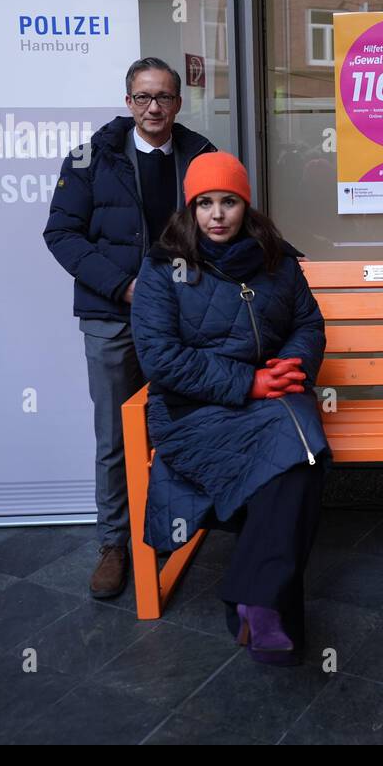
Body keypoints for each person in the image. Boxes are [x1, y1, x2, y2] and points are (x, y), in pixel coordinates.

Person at [131, 152, 328, 665]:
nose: (217, 215)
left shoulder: (276, 260)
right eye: (205, 203)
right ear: (191, 208)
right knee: (295, 456)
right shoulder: (162, 268)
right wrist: (249, 382)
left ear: (246, 206)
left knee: (302, 457)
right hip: (194, 412)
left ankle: (254, 600)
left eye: (229, 202)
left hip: (275, 398)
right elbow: (160, 358)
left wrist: (290, 365)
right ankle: (265, 605)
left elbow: (308, 325)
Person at [44, 57, 215, 598]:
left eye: (163, 97)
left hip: (185, 320)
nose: (153, 108)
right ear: (127, 103)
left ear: (178, 103)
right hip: (112, 316)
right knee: (116, 436)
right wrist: (126, 287)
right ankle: (115, 544)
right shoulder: (89, 157)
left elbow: (225, 227)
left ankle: (176, 529)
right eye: (142, 98)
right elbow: (62, 234)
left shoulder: (202, 155)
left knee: (186, 421)